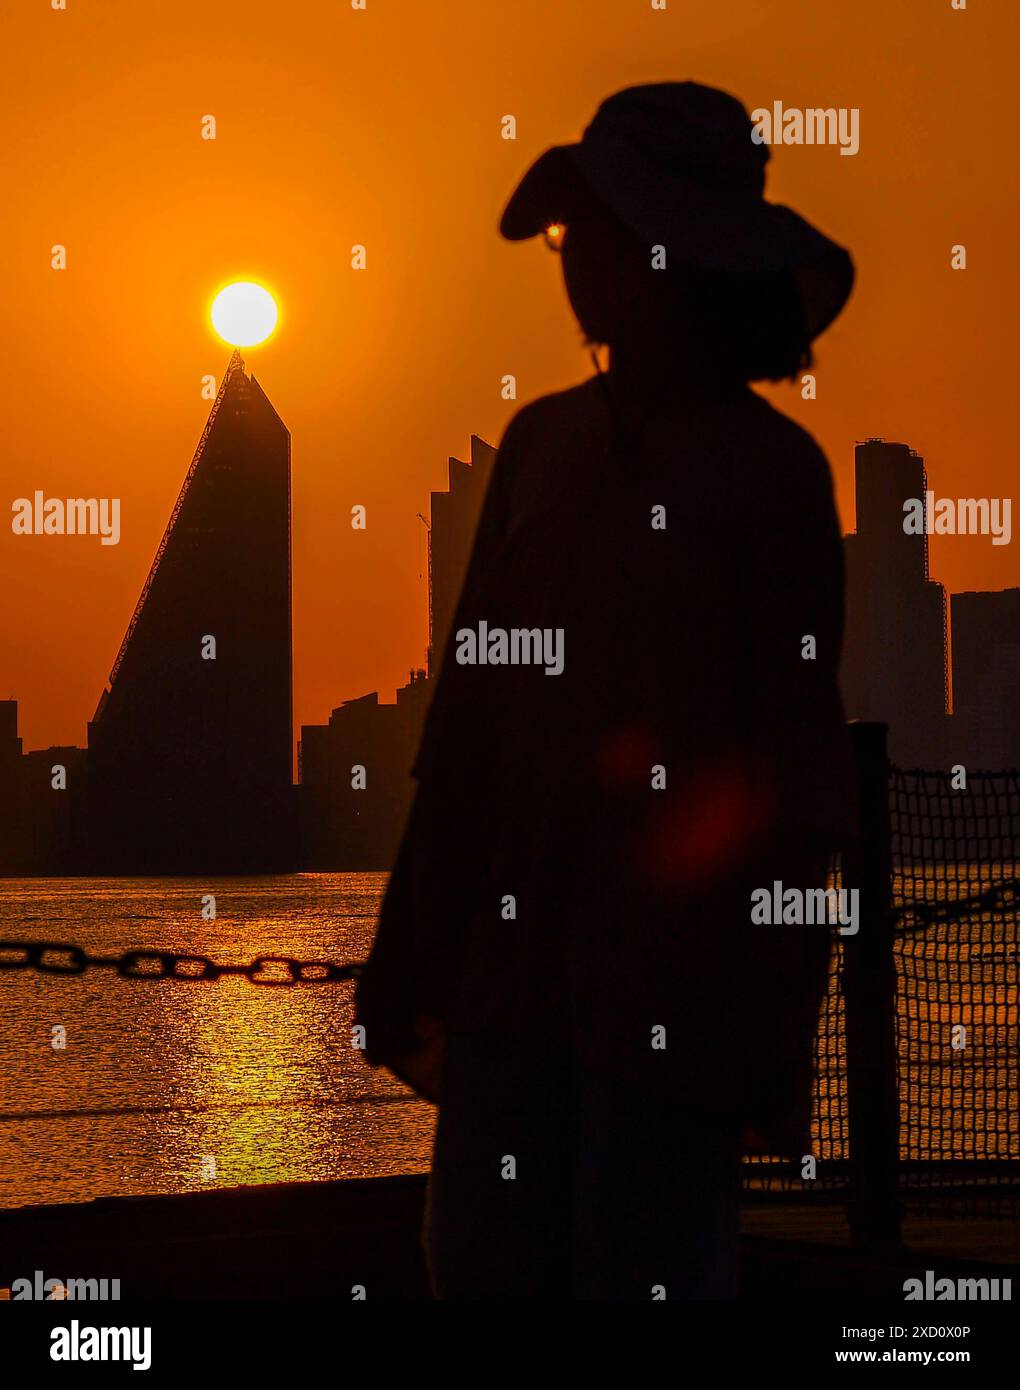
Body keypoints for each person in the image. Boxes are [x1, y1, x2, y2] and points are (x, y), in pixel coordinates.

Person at [355, 81, 856, 1299]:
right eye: (575, 236)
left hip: (673, 991)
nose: (575, 264)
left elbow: (789, 762)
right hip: (511, 979)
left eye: (599, 236)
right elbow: (465, 723)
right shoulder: (538, 447)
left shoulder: (770, 474)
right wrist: (407, 939)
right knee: (483, 1271)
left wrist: (777, 1022)